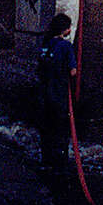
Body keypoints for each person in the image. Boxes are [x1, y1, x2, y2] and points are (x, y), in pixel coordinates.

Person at [36, 12, 77, 166]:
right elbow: (73, 71)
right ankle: (60, 162)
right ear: (66, 30)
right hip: (59, 94)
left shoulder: (45, 44)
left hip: (44, 93)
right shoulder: (66, 46)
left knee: (47, 129)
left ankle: (46, 160)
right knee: (60, 130)